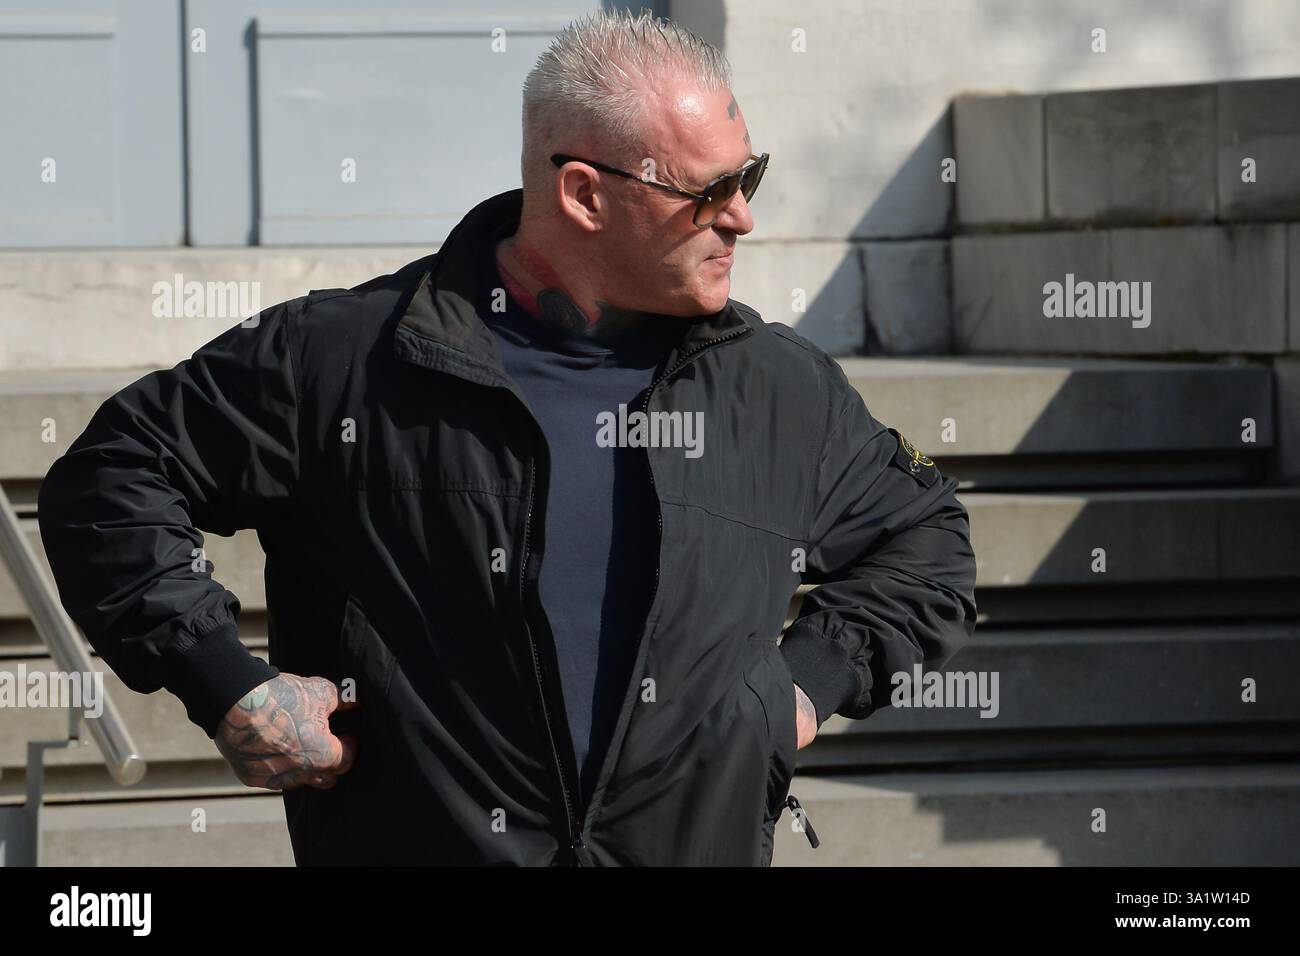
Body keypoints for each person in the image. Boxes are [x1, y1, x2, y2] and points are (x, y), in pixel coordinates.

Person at [37, 10, 977, 866]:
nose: (743, 215)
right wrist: (225, 681)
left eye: (749, 175)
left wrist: (795, 693)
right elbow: (113, 476)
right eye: (710, 190)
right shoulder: (346, 359)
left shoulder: (776, 388)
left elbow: (925, 539)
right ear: (582, 194)